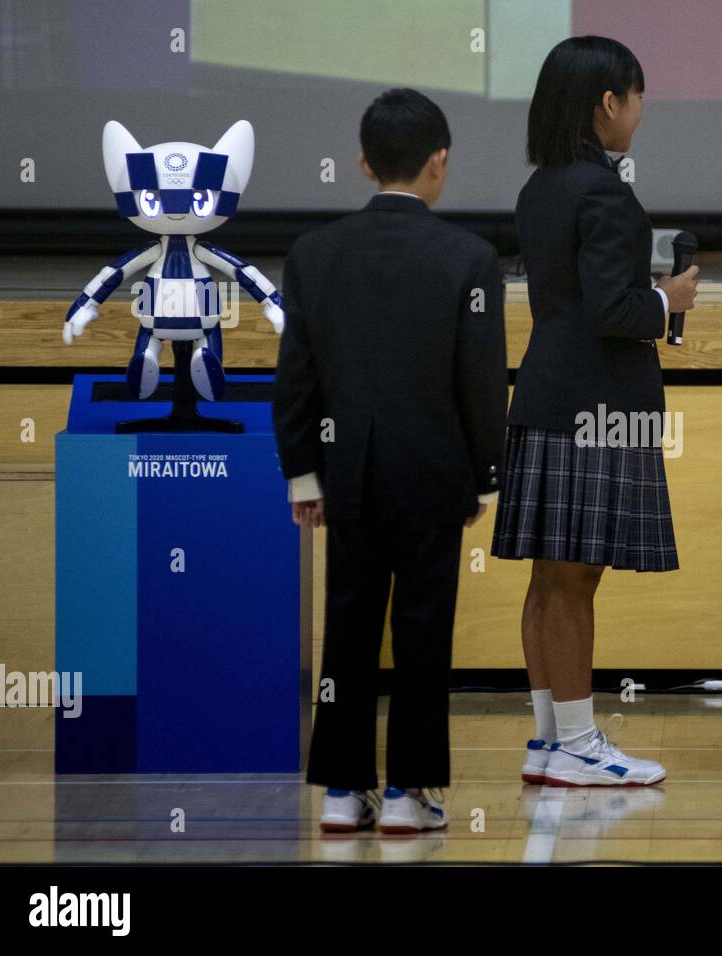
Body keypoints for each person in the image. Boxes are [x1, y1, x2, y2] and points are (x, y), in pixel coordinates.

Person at [272, 88, 508, 832]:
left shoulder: (312, 254)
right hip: (436, 473)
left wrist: (304, 474)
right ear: (440, 162)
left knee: (347, 626)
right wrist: (484, 474)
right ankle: (410, 794)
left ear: (363, 162)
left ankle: (344, 793)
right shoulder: (470, 258)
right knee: (424, 631)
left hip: (349, 474)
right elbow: (481, 379)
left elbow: (296, 377)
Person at [491, 37, 699, 787]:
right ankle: (578, 746)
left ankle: (550, 741)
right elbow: (615, 309)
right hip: (595, 405)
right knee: (574, 578)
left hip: (546, 395)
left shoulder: (540, 187)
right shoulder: (604, 192)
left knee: (551, 576)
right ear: (608, 103)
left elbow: (574, 300)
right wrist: (665, 301)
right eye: (636, 97)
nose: (641, 112)